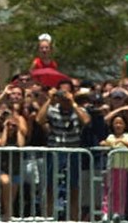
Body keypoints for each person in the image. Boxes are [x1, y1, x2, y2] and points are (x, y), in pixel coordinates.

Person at [36, 82, 91, 220]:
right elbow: (39, 120)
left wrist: (72, 103)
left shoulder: (78, 110)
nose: (64, 97)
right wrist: (50, 99)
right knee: (49, 188)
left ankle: (73, 219)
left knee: (74, 189)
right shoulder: (53, 109)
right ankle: (48, 218)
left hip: (73, 153)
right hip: (54, 152)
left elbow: (86, 121)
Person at [100, 114, 128, 221]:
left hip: (123, 168)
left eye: (120, 123)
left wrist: (122, 141)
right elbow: (105, 144)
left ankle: (119, 212)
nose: (118, 125)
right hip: (111, 168)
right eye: (116, 123)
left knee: (121, 191)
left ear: (124, 125)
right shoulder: (110, 137)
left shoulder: (127, 136)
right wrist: (104, 144)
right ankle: (106, 212)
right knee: (108, 191)